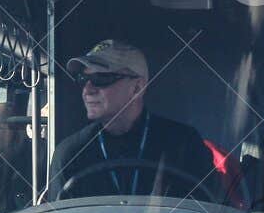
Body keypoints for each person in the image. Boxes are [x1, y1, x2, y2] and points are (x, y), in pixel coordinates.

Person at [48, 40, 221, 202]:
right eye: (83, 80)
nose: (88, 90)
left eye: (101, 79)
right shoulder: (70, 153)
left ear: (137, 87)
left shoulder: (184, 144)